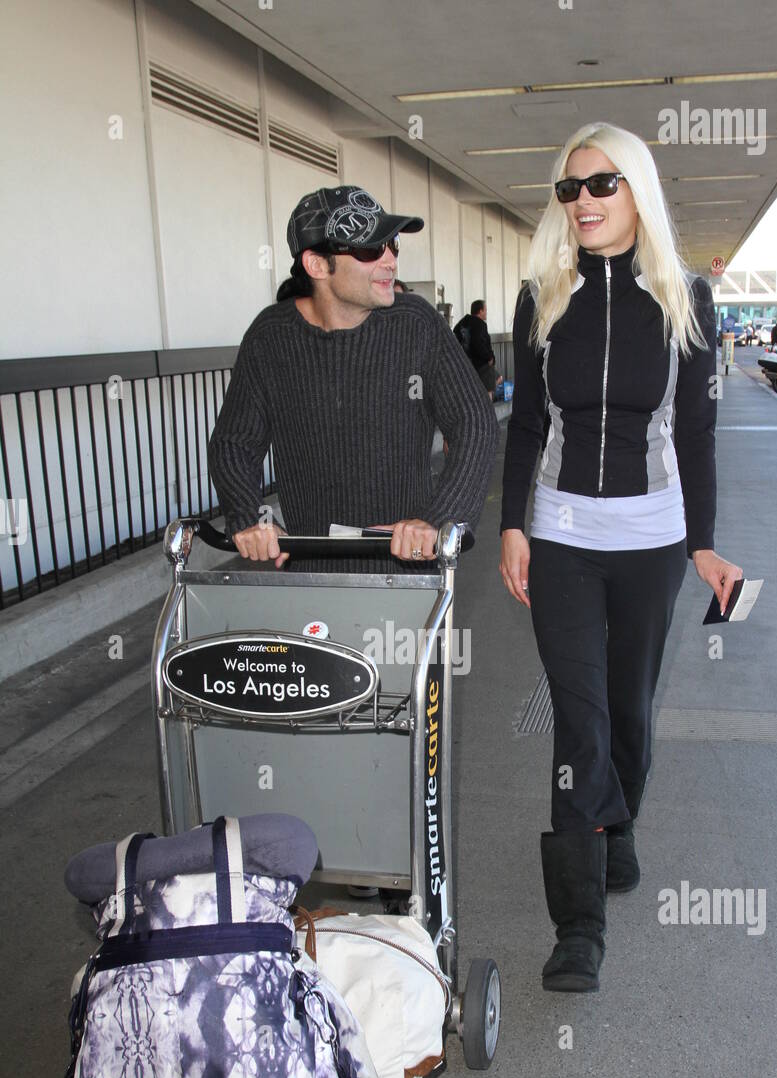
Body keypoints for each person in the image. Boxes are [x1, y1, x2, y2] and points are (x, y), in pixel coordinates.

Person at [499, 122, 743, 994]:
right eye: (570, 190)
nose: (584, 202)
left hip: (652, 541)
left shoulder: (685, 298)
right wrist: (512, 524)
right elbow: (527, 422)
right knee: (580, 720)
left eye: (601, 184)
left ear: (636, 190)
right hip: (563, 537)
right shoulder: (542, 297)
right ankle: (577, 927)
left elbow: (698, 432)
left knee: (630, 724)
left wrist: (705, 543)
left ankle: (618, 822)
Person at [208, 185, 497, 572]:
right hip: (313, 577)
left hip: (408, 576)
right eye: (369, 250)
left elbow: (474, 423)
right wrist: (250, 516)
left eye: (392, 245)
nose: (390, 261)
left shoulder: (416, 324)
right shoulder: (270, 338)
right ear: (317, 265)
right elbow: (233, 444)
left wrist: (438, 518)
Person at [454, 300, 499, 395]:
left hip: (467, 363)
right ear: (480, 311)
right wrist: (489, 357)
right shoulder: (480, 324)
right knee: (488, 392)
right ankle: (486, 408)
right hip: (482, 364)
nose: (486, 312)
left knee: (498, 378)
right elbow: (478, 344)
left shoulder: (463, 323)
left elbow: (455, 335)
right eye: (485, 310)